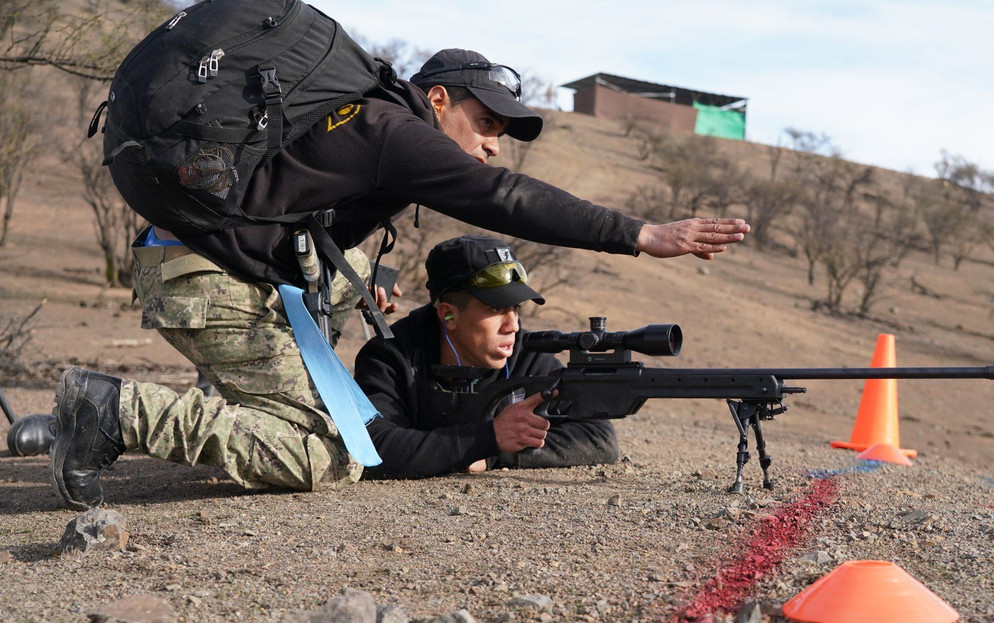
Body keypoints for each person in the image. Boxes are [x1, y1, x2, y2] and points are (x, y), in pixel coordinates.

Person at [50, 46, 749, 510]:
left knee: (345, 294)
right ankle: (113, 412)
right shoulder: (399, 133)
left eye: (501, 130)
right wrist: (639, 234)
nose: (490, 142)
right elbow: (503, 197)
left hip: (210, 260)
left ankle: (167, 407)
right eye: (483, 121)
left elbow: (295, 207)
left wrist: (360, 272)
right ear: (437, 99)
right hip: (202, 276)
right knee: (332, 456)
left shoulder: (362, 119)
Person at [355, 235, 617, 478]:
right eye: (496, 308)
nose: (512, 325)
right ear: (448, 315)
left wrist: (496, 453)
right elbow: (372, 447)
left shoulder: (528, 355)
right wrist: (485, 439)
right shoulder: (390, 356)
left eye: (515, 308)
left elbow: (598, 438)